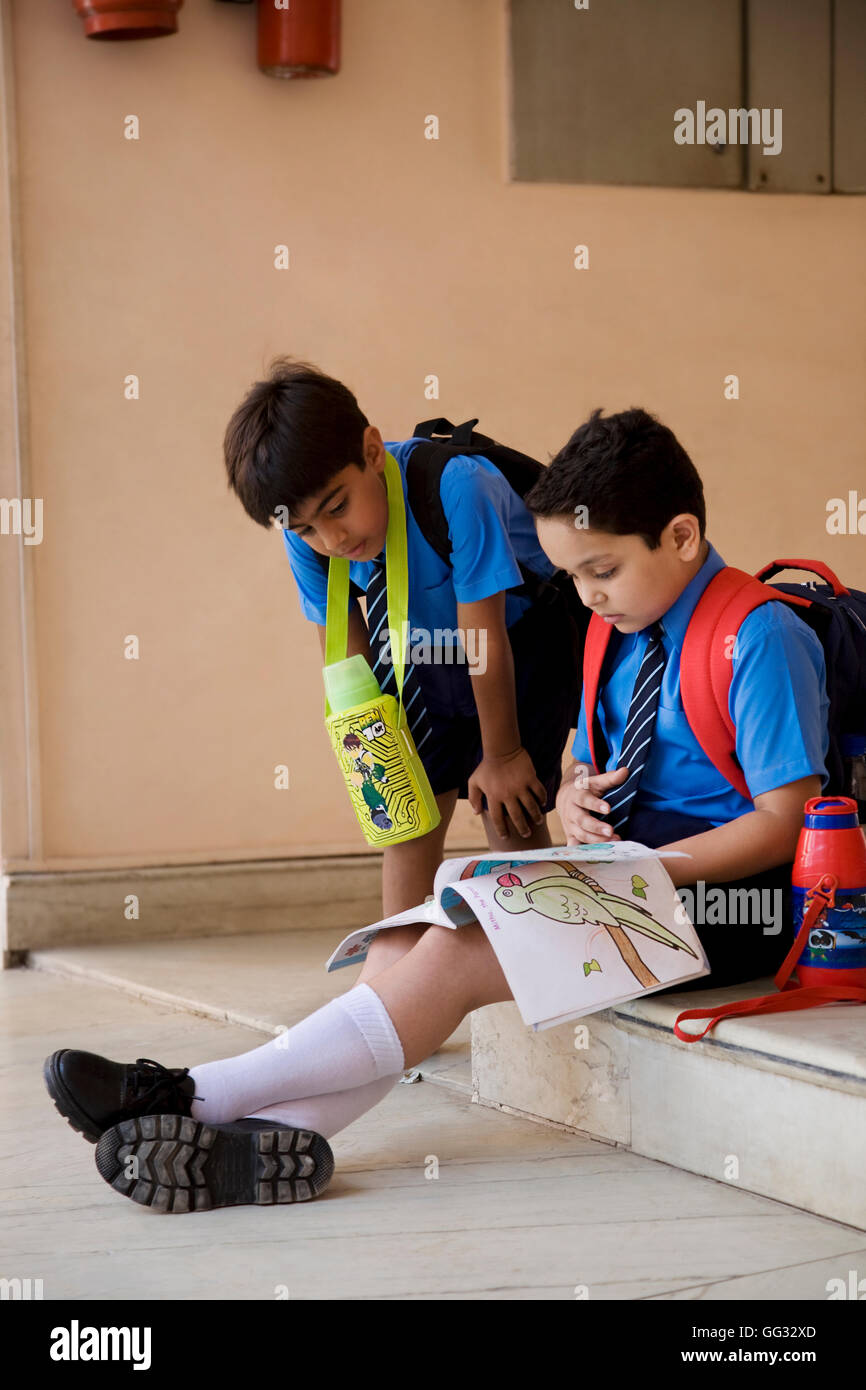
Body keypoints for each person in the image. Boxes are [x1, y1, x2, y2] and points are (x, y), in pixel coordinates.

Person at [43, 406, 829, 1214]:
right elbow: (589, 763)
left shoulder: (758, 635)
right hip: (636, 881)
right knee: (413, 930)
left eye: (602, 571)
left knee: (455, 956)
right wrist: (574, 800)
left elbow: (788, 821)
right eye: (577, 578)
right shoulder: (616, 629)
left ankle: (188, 1093)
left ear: (683, 537)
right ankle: (267, 1138)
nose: (587, 597)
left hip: (741, 906)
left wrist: (648, 868)